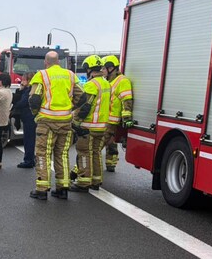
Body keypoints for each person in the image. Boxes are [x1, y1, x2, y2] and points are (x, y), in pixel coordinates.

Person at [28, 51, 91, 200]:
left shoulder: (42, 75)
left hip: (46, 122)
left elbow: (35, 98)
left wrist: (36, 114)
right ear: (59, 61)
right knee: (62, 154)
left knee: (43, 154)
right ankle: (62, 188)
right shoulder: (69, 75)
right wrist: (70, 108)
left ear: (46, 62)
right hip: (65, 121)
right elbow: (82, 96)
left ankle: (42, 189)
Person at [69, 56, 111, 192]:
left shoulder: (91, 85)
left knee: (84, 153)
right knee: (96, 153)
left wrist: (76, 122)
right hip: (102, 126)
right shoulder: (106, 83)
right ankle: (96, 181)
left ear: (89, 69)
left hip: (89, 126)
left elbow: (85, 106)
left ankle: (83, 182)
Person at [102, 55, 134, 172]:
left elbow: (127, 100)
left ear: (111, 68)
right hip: (106, 118)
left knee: (95, 147)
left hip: (112, 119)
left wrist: (126, 117)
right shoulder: (108, 81)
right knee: (110, 142)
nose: (102, 71)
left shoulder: (122, 81)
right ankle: (111, 164)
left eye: (104, 68)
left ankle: (80, 172)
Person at [12, 74, 36, 168]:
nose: (22, 82)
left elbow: (22, 102)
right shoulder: (27, 90)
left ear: (29, 80)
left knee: (29, 139)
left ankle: (29, 160)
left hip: (29, 117)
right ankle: (30, 158)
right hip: (29, 117)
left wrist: (16, 104)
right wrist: (20, 89)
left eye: (23, 80)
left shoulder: (29, 90)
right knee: (29, 139)